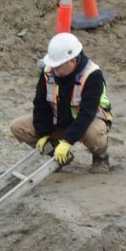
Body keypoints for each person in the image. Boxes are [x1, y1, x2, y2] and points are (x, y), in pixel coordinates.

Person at [10, 32, 113, 174]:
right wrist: (43, 133)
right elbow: (41, 105)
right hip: (59, 120)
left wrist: (67, 142)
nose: (54, 69)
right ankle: (59, 156)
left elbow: (86, 114)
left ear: (72, 60)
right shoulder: (49, 71)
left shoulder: (92, 75)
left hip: (87, 122)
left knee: (93, 133)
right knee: (18, 127)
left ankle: (100, 158)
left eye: (58, 66)